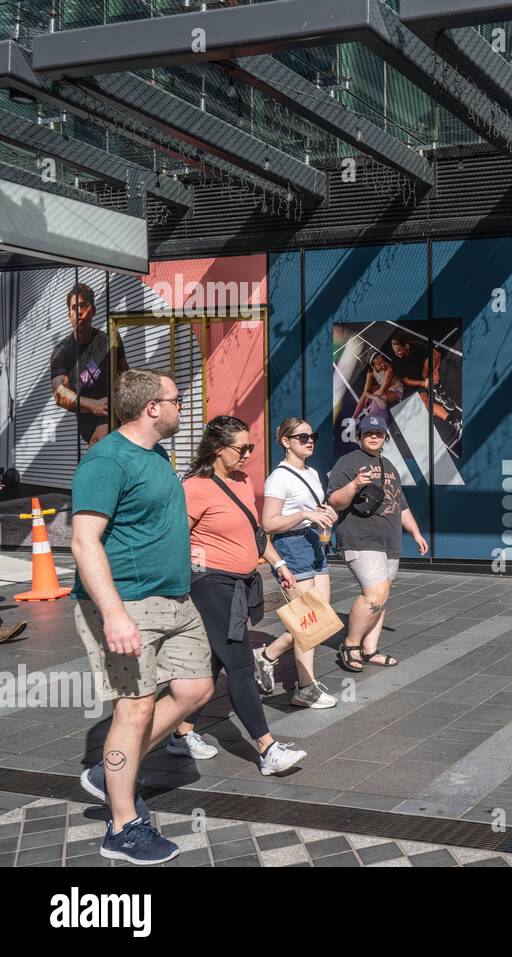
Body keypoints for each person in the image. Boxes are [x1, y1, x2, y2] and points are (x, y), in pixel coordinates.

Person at [70, 369, 215, 865]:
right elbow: (84, 541)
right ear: (152, 407)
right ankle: (122, 827)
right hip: (127, 604)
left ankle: (109, 774)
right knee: (136, 708)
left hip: (176, 599)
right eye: (176, 400)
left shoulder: (156, 454)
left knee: (196, 689)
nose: (182, 408)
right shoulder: (106, 461)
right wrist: (112, 614)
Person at [168, 415, 307, 776]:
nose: (248, 454)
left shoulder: (243, 481)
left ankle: (180, 734)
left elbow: (256, 533)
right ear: (218, 449)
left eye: (251, 447)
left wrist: (277, 565)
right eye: (241, 448)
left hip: (243, 582)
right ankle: (268, 749)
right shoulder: (195, 487)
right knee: (241, 664)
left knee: (215, 662)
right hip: (212, 585)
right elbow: (176, 540)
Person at [327, 413, 428, 672]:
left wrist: (416, 533)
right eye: (369, 433)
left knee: (382, 597)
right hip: (360, 538)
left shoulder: (389, 465)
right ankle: (350, 645)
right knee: (375, 594)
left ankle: (370, 649)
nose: (374, 437)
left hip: (389, 541)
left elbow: (401, 505)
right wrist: (354, 485)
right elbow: (334, 501)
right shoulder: (347, 462)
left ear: (384, 438)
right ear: (360, 435)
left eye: (379, 434)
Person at [255, 417, 339, 708]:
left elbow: (313, 510)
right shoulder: (279, 478)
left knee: (319, 620)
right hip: (290, 545)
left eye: (311, 435)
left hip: (312, 542)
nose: (309, 440)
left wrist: (325, 514)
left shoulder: (313, 472)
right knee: (309, 621)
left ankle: (267, 656)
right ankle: (305, 688)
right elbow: (269, 522)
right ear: (285, 441)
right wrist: (305, 514)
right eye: (301, 437)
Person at [49, 282, 129, 448]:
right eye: (73, 307)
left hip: (113, 411)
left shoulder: (109, 341)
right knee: (99, 447)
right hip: (87, 415)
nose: (78, 312)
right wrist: (93, 405)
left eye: (83, 305)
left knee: (102, 447)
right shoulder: (62, 351)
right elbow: (59, 394)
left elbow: (126, 375)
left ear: (93, 310)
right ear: (69, 314)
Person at [354, 350, 401, 419]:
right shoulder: (370, 372)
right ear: (373, 367)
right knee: (368, 394)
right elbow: (365, 392)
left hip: (396, 391)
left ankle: (370, 422)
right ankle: (353, 417)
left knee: (377, 401)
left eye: (382, 361)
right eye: (379, 364)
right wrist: (372, 397)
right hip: (385, 388)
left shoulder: (389, 370)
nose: (383, 364)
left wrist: (372, 398)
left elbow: (381, 391)